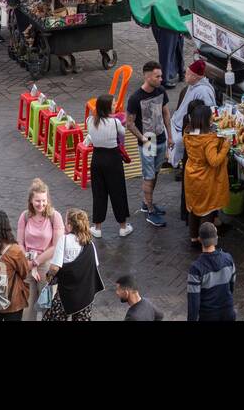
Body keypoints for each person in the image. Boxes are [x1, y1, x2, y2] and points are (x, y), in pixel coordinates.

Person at [126, 61, 172, 229]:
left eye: (161, 76)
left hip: (160, 138)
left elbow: (166, 113)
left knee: (156, 172)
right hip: (149, 140)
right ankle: (150, 211)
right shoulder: (135, 98)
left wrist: (170, 136)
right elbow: (129, 123)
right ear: (147, 76)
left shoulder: (161, 91)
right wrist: (142, 138)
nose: (161, 79)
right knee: (149, 175)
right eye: (157, 76)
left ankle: (147, 202)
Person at [183, 103, 231, 246]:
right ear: (206, 120)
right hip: (205, 178)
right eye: (210, 118)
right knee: (206, 210)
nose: (212, 120)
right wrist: (225, 147)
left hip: (191, 174)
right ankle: (206, 242)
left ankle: (193, 238)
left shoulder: (188, 133)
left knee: (193, 208)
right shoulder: (209, 141)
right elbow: (214, 161)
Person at [16, 178, 64, 320]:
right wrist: (28, 260)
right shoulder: (25, 216)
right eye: (37, 201)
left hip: (46, 268)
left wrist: (35, 262)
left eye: (44, 200)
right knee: (26, 308)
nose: (41, 204)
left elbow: (56, 246)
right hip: (27, 265)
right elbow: (19, 242)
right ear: (31, 200)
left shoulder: (55, 217)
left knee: (46, 308)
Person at [86, 96, 132, 239]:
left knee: (99, 193)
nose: (115, 105)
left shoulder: (90, 121)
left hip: (97, 159)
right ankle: (123, 226)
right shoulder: (115, 122)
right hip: (113, 159)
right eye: (113, 104)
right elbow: (123, 134)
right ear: (107, 107)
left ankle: (97, 227)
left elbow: (92, 138)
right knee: (118, 192)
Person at [42, 208, 99, 322]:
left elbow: (55, 267)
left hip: (66, 294)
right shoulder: (90, 243)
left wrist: (48, 275)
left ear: (69, 225)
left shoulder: (64, 239)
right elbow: (95, 266)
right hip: (85, 296)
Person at [188, 221, 237, 321]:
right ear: (216, 239)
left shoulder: (196, 268)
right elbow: (231, 287)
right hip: (228, 313)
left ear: (200, 240)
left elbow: (194, 302)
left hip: (208, 316)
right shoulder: (229, 259)